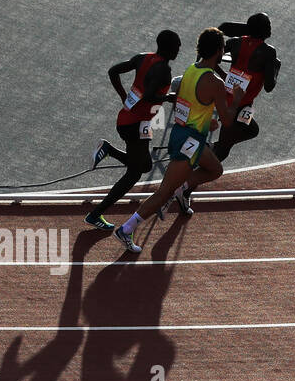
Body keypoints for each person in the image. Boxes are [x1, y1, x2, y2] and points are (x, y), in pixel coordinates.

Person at [113, 28, 241, 254]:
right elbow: (228, 121)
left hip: (186, 135)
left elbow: (188, 104)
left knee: (215, 169)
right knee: (163, 192)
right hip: (189, 141)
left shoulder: (190, 70)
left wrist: (205, 122)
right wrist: (237, 99)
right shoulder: (215, 82)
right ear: (220, 51)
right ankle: (126, 228)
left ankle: (180, 189)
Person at [85, 30, 180, 230]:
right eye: (177, 46)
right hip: (136, 125)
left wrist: (123, 96)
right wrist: (168, 97)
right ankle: (95, 215)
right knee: (134, 173)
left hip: (129, 119)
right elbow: (149, 96)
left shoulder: (142, 58)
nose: (179, 50)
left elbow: (113, 71)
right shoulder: (163, 70)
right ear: (170, 48)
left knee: (144, 166)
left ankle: (108, 150)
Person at [213, 12, 282, 162]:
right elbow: (269, 87)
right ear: (262, 30)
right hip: (237, 105)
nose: (271, 28)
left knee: (251, 130)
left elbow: (213, 59)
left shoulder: (235, 42)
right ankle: (187, 179)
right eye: (268, 25)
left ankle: (219, 145)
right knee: (222, 153)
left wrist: (225, 76)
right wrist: (276, 68)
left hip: (234, 101)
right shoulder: (268, 52)